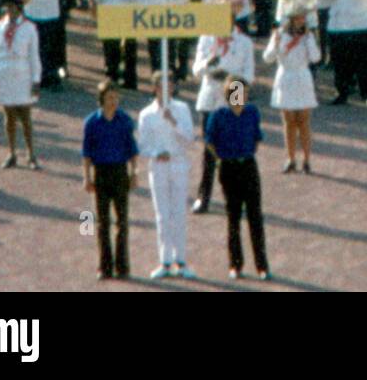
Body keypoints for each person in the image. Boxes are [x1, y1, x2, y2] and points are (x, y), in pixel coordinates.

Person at [206, 77, 270, 280]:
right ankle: (235, 264)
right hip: (229, 168)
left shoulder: (252, 112)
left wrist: (246, 153)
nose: (241, 96)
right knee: (233, 217)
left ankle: (262, 266)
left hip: (249, 166)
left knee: (255, 217)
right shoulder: (218, 115)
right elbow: (210, 142)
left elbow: (257, 138)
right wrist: (223, 158)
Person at [136, 76, 197, 280]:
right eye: (161, 86)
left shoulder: (182, 108)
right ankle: (165, 261)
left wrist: (173, 121)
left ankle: (181, 261)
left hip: (179, 163)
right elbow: (142, 146)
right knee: (162, 215)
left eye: (170, 85)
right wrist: (155, 153)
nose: (166, 89)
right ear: (154, 88)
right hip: (159, 167)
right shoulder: (146, 114)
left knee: (179, 213)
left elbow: (189, 138)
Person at [191, 25, 255, 213]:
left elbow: (249, 76)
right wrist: (207, 64)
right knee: (209, 151)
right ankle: (204, 197)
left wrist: (230, 79)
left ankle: (237, 197)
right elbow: (196, 70)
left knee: (235, 149)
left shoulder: (244, 42)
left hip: (233, 95)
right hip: (210, 96)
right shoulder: (207, 37)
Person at [81, 81, 140, 281]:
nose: (113, 102)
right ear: (101, 99)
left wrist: (134, 173)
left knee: (122, 221)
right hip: (102, 173)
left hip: (120, 172)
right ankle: (104, 266)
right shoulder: (91, 122)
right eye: (109, 98)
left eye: (115, 98)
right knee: (103, 222)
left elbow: (132, 149)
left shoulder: (125, 120)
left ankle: (122, 266)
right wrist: (87, 177)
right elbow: (87, 153)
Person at [0, 0, 41, 169]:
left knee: (25, 116)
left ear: (19, 7)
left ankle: (31, 154)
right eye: (6, 7)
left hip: (22, 73)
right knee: (8, 116)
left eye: (11, 7)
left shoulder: (29, 28)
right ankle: (12, 152)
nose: (8, 10)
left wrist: (36, 79)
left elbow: (34, 56)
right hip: (3, 73)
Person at [263, 9, 320, 173]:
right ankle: (290, 158)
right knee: (289, 122)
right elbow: (267, 58)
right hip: (286, 77)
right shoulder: (279, 34)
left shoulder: (308, 36)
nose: (301, 21)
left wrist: (309, 39)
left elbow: (316, 58)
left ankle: (307, 159)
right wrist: (275, 44)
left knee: (303, 121)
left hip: (302, 77)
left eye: (303, 18)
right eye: (298, 18)